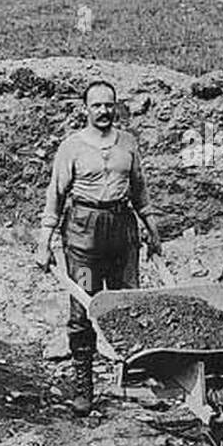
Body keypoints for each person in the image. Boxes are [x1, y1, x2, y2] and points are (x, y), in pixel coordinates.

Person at [35, 80, 162, 415]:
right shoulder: (72, 147)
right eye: (97, 106)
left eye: (109, 105)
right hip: (83, 234)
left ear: (116, 106)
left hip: (122, 231)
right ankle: (84, 384)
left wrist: (153, 231)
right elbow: (56, 195)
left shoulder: (128, 144)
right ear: (85, 109)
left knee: (129, 304)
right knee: (84, 306)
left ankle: (136, 377)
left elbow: (140, 190)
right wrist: (44, 242)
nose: (104, 111)